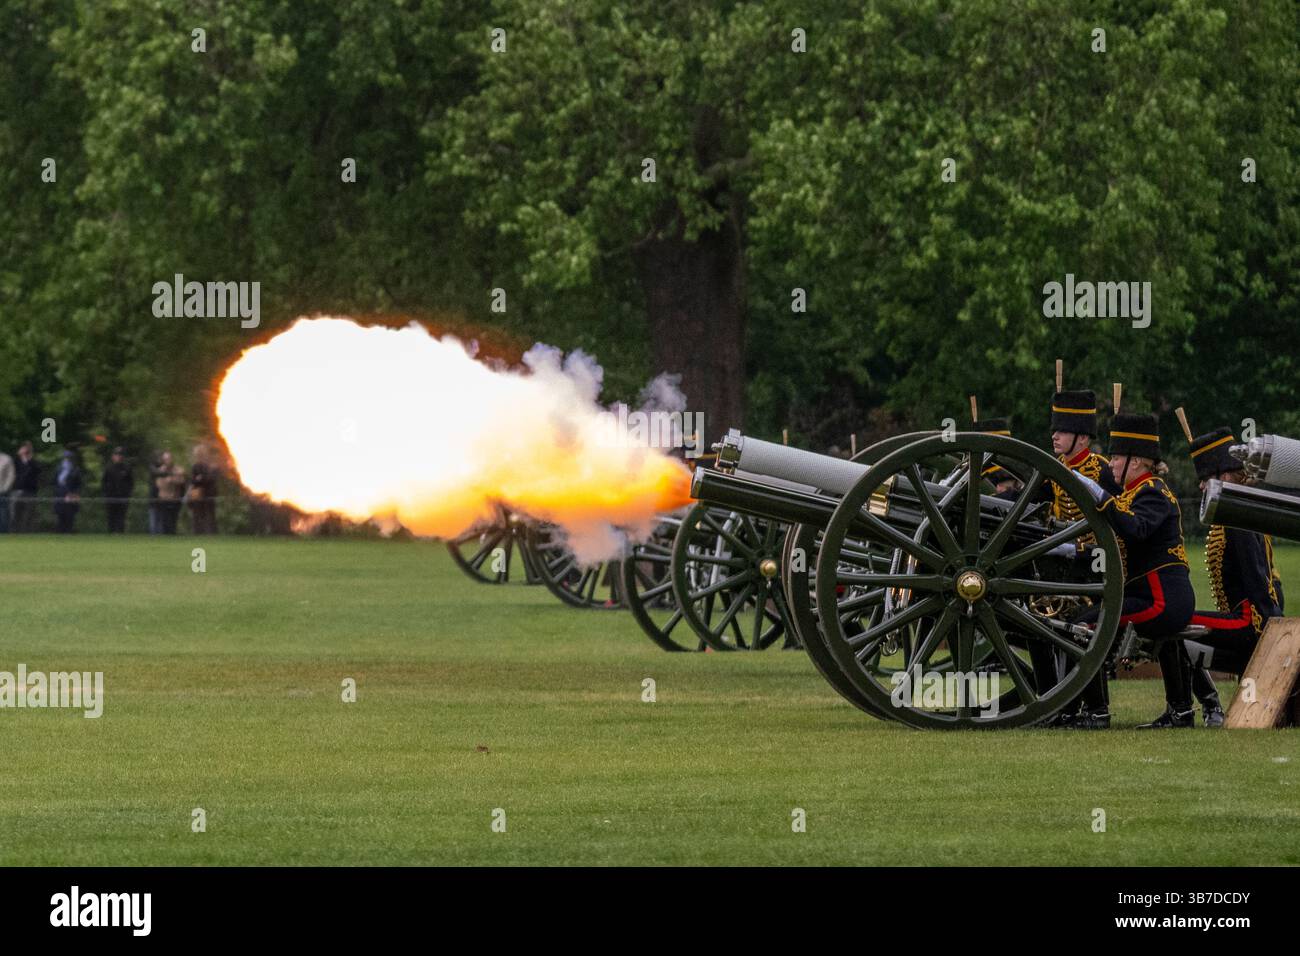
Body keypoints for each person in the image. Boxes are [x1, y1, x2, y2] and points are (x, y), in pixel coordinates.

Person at [1073, 412, 1196, 728]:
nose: (1110, 464)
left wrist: (1101, 497)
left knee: (1085, 628)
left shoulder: (1152, 491)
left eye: (1115, 458)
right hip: (1149, 597)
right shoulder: (1132, 494)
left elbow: (1136, 529)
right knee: (1084, 620)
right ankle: (1180, 711)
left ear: (1137, 462)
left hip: (1162, 602)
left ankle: (1097, 713)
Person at [1180, 426, 1285, 723]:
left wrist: (1270, 630)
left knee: (1174, 623)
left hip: (1248, 620)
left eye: (1206, 479)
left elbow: (1258, 578)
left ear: (1224, 475)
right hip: (1242, 617)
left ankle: (1202, 708)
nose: (1202, 487)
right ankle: (1207, 707)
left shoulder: (1237, 519)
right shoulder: (1233, 514)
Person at [187, 445, 219, 534]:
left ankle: (210, 533)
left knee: (209, 515)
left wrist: (200, 479)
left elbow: (211, 478)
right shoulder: (195, 466)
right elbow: (193, 480)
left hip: (209, 494)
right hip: (197, 494)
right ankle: (198, 533)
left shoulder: (211, 466)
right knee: (197, 515)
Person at [101, 446, 134, 534]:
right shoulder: (108, 468)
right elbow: (103, 482)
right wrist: (106, 494)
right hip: (110, 497)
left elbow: (131, 483)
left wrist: (128, 494)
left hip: (123, 498)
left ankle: (120, 534)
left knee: (121, 518)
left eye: (120, 455)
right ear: (113, 456)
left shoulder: (127, 468)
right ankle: (111, 534)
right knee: (111, 518)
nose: (119, 457)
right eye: (117, 454)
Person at [153, 450, 186, 534]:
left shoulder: (178, 469)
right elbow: (159, 484)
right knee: (165, 522)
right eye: (166, 459)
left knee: (173, 521)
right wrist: (167, 480)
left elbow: (181, 480)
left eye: (169, 458)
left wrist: (172, 480)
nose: (168, 460)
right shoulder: (160, 471)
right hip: (164, 499)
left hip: (175, 500)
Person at [53, 447, 84, 534]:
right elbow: (54, 482)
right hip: (59, 495)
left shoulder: (75, 470)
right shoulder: (58, 469)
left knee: (70, 516)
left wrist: (74, 494)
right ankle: (60, 533)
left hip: (71, 496)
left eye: (69, 458)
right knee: (60, 516)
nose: (67, 460)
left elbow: (79, 484)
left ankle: (68, 532)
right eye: (66, 457)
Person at [12, 441, 40, 532]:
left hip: (30, 491)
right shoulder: (16, 461)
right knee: (15, 513)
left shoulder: (33, 462)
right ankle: (15, 531)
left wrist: (29, 459)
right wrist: (19, 456)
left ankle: (27, 532)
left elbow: (37, 471)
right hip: (17, 490)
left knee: (29, 514)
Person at [0, 447, 13, 533]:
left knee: (3, 513)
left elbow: (11, 475)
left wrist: (5, 488)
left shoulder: (6, 459)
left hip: (2, 491)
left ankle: (3, 532)